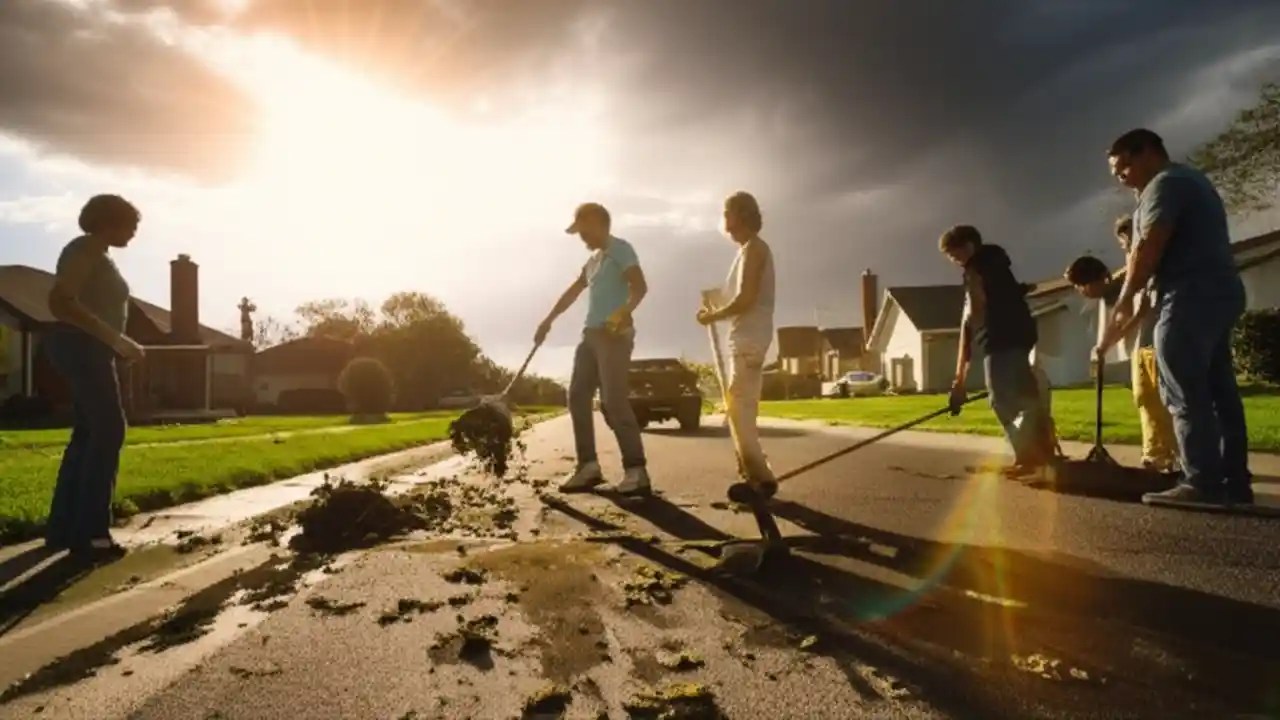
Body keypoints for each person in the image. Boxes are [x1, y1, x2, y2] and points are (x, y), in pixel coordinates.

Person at [1105, 129, 1251, 507]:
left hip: (1187, 295)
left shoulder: (1164, 185)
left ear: (1149, 153)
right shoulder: (1193, 180)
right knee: (1219, 391)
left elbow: (1151, 243)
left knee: (1184, 389)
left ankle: (1201, 482)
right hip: (1220, 290)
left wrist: (1126, 296)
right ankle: (1234, 482)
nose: (1121, 177)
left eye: (1124, 166)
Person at [44, 194, 146, 562]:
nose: (134, 234)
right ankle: (91, 535)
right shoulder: (83, 249)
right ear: (108, 222)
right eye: (130, 226)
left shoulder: (99, 255)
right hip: (80, 345)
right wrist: (116, 339)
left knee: (88, 434)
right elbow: (61, 302)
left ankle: (62, 529)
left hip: (91, 348)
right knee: (108, 431)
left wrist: (117, 345)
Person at [537, 202, 652, 496]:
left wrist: (626, 310)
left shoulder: (620, 249)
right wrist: (548, 320)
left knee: (613, 400)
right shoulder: (592, 262)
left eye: (583, 230)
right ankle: (588, 467)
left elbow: (640, 286)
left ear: (598, 223)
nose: (581, 237)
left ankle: (636, 471)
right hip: (590, 335)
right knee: (576, 396)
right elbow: (573, 292)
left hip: (614, 334)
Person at [1069, 219, 1178, 473]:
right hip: (1146, 342)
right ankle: (1157, 453)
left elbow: (1134, 314)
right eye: (1122, 242)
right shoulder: (1129, 272)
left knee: (1156, 399)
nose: (1126, 246)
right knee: (1146, 399)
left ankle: (1166, 455)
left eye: (1128, 239)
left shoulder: (1145, 267)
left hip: (1155, 338)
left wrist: (1105, 345)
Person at [939, 225, 1048, 476]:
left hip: (1000, 340)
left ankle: (1027, 457)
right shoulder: (1000, 267)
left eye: (955, 256)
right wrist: (960, 381)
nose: (956, 263)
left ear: (968, 247)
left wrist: (959, 382)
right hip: (1022, 336)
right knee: (1025, 397)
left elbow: (974, 314)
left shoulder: (975, 270)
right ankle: (1042, 452)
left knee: (1001, 400)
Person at [696, 191, 778, 497]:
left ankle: (759, 477)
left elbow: (745, 299)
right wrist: (712, 299)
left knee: (738, 409)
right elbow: (735, 292)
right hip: (747, 337)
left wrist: (713, 316)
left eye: (727, 213)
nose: (724, 221)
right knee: (741, 408)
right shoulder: (746, 251)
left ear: (739, 216)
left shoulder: (755, 249)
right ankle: (754, 472)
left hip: (748, 338)